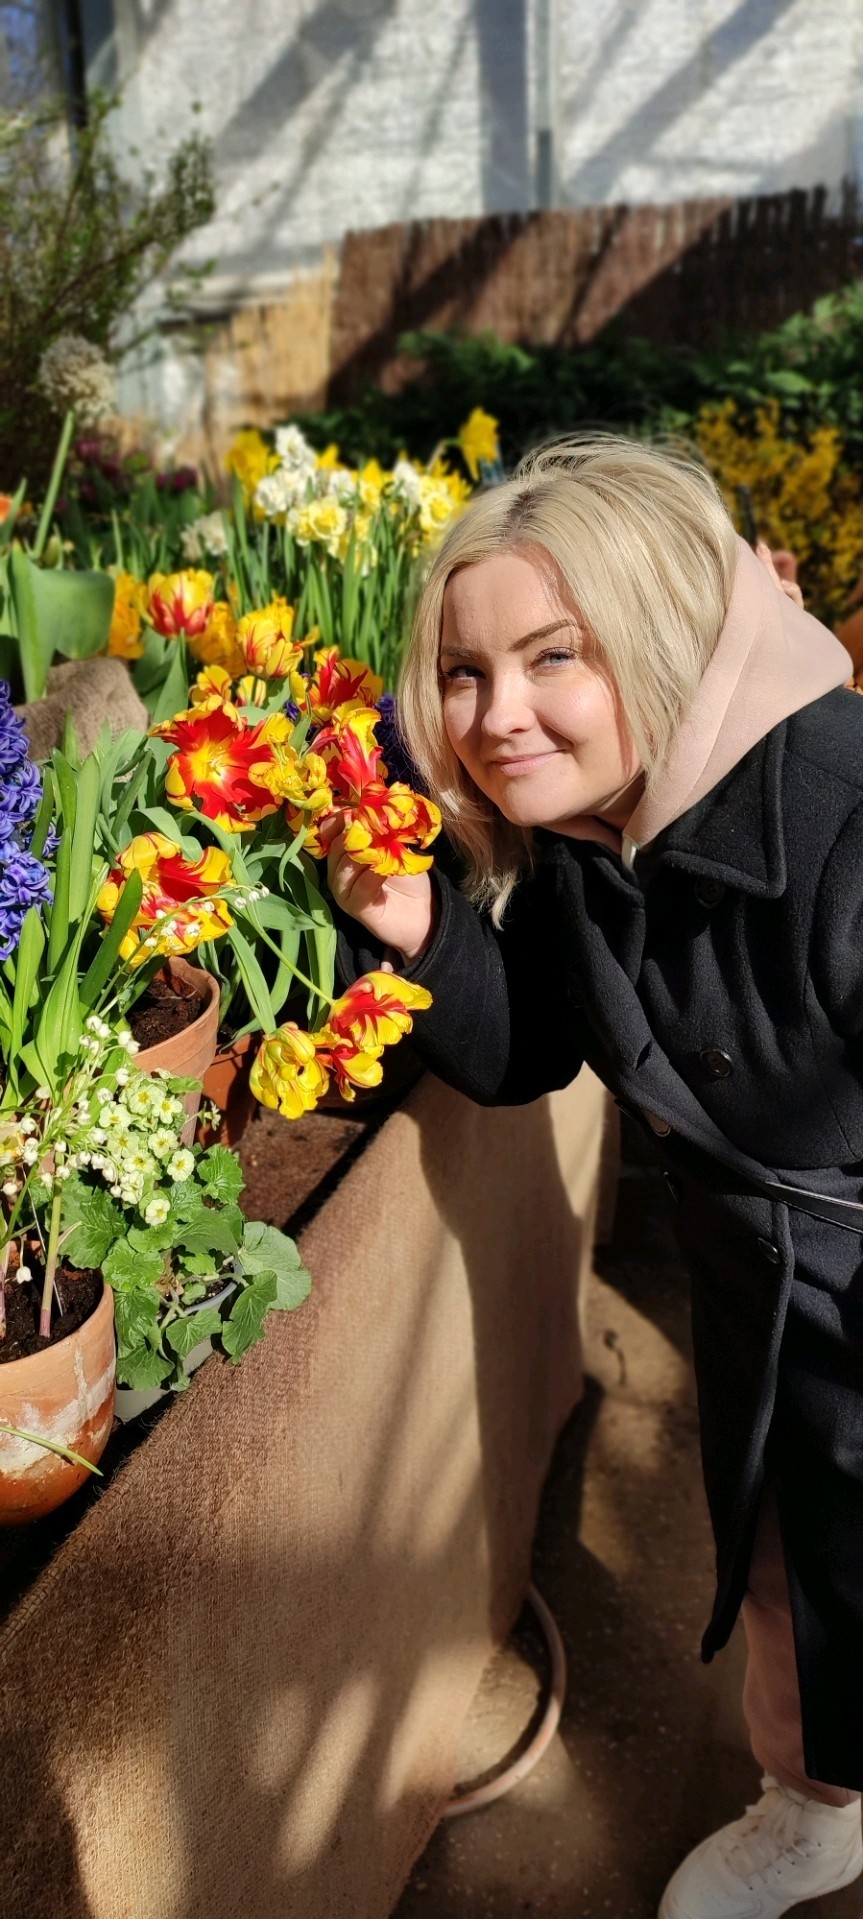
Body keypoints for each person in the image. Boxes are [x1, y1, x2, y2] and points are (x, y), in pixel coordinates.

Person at [326, 437, 863, 1919]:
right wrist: (420, 925)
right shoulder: (589, 837)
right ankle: (813, 1813)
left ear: (662, 630)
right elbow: (529, 1052)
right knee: (788, 1573)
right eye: (461, 672)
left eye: (550, 655)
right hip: (765, 1308)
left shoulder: (842, 816)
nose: (494, 715)